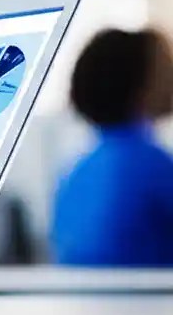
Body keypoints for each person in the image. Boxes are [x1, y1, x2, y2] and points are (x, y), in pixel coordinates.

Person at [51, 28, 173, 267]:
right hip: (146, 301)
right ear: (141, 86)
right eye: (167, 66)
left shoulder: (75, 171)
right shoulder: (151, 164)